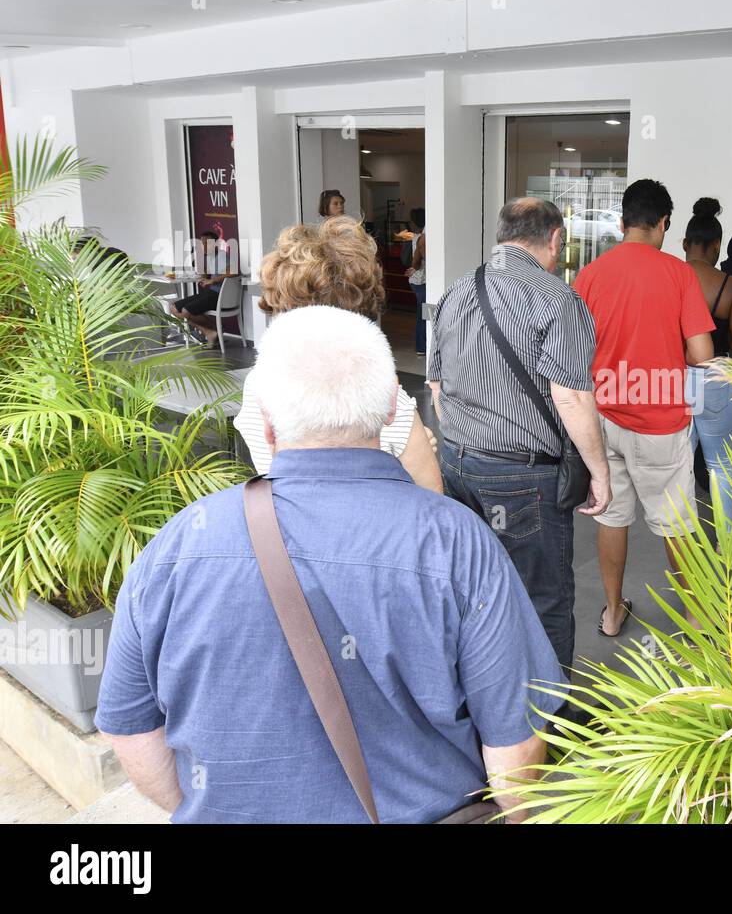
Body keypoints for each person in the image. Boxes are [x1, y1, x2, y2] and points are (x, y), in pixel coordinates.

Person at [94, 306, 564, 823]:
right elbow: (514, 753)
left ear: (266, 421)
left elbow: (129, 728)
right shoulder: (457, 543)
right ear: (391, 408)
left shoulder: (179, 544)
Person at [429, 197, 611, 670]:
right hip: (520, 479)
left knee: (472, 585)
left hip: (456, 462)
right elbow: (571, 397)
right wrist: (600, 473)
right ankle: (546, 721)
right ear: (554, 239)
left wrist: (463, 445)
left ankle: (486, 695)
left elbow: (434, 384)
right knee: (544, 597)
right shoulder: (558, 299)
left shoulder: (455, 290)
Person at [574, 179, 714, 638]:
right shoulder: (678, 274)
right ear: (664, 224)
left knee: (612, 516)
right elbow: (701, 354)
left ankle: (613, 613)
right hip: (660, 421)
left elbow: (574, 350)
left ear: (622, 222)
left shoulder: (590, 274)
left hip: (603, 417)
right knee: (677, 525)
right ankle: (694, 619)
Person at [233, 215, 443, 493]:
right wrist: (415, 448)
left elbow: (277, 474)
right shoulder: (380, 390)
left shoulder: (259, 384)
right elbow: (429, 498)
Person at [681, 198, 732, 525]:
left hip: (672, 380)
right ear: (716, 246)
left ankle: (679, 535)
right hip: (716, 378)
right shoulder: (730, 286)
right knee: (720, 465)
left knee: (678, 464)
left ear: (684, 244)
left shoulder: (670, 278)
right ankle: (726, 544)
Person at [170, 231, 239, 347]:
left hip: (219, 296)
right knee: (174, 308)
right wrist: (204, 276)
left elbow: (233, 272)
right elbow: (210, 272)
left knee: (186, 311)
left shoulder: (222, 256)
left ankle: (212, 332)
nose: (205, 246)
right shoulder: (210, 257)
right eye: (203, 243)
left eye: (208, 243)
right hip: (210, 293)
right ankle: (213, 330)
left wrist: (213, 280)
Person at [404, 207, 427, 355]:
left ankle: (421, 346)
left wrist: (413, 268)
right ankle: (421, 346)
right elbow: (418, 260)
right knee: (423, 314)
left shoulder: (414, 237)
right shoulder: (422, 238)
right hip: (421, 281)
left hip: (416, 279)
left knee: (422, 313)